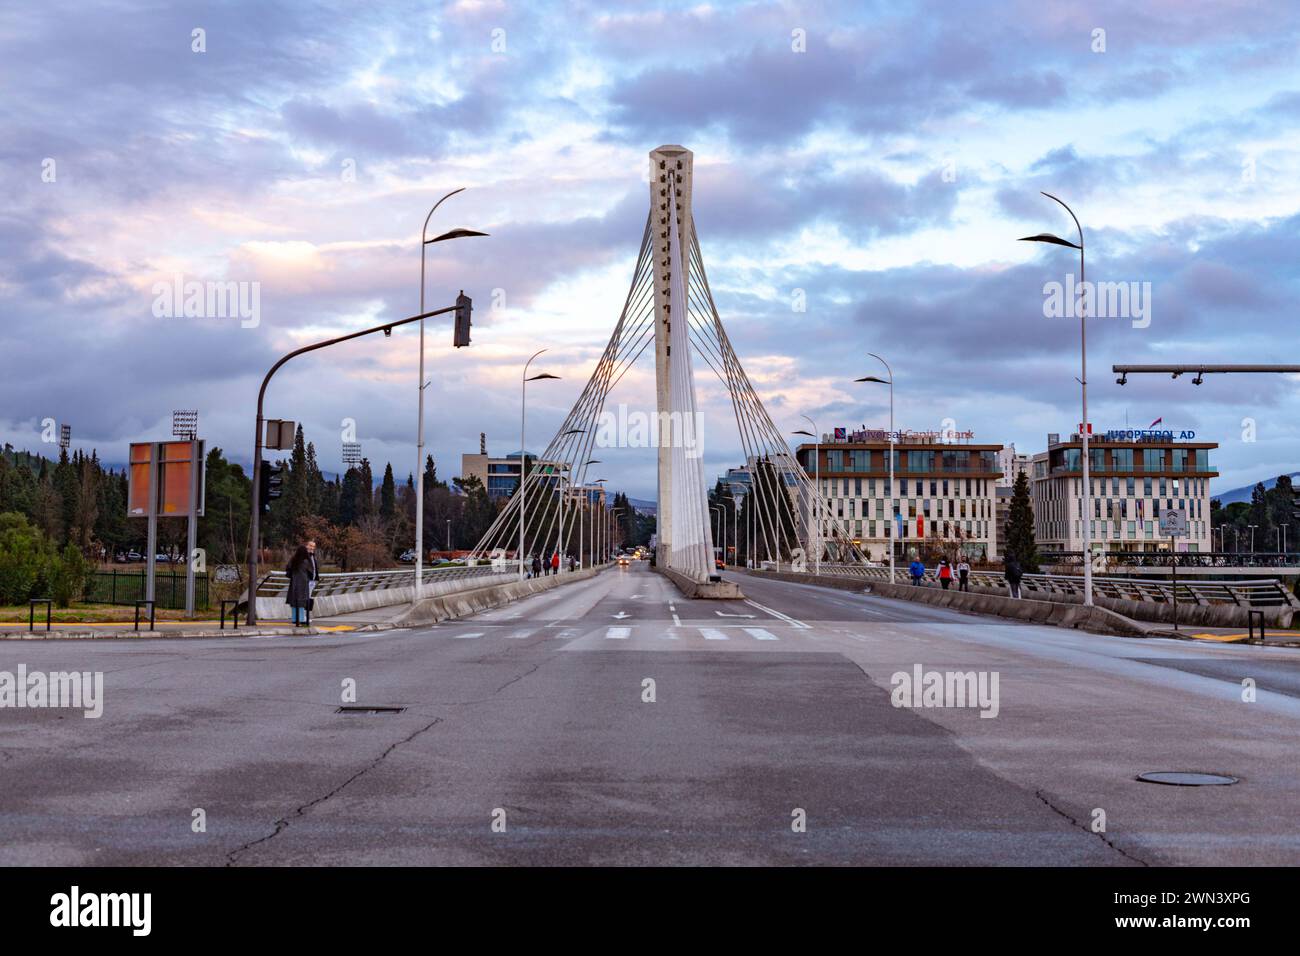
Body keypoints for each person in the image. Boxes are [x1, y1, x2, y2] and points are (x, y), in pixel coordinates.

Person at [286, 543, 316, 626]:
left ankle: (294, 618)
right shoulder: (306, 561)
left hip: (294, 583)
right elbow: (311, 573)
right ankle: (301, 618)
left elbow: (288, 571)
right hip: (304, 583)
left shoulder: (293, 560)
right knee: (302, 600)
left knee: (294, 600)